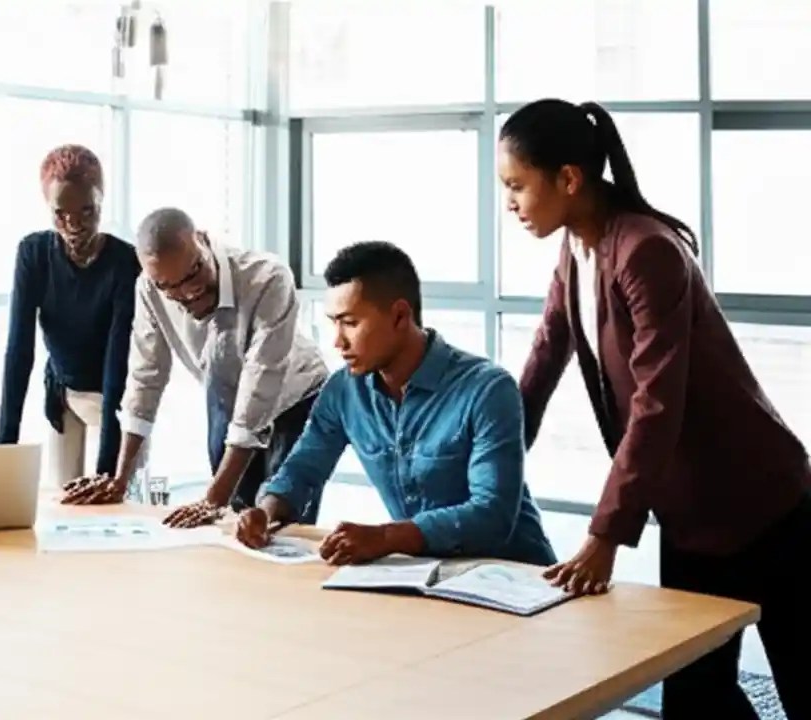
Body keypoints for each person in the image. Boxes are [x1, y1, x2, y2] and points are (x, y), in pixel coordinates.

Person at [500, 98, 810, 719]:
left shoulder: (646, 250)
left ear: (568, 178)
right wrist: (493, 459)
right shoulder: (576, 252)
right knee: (696, 693)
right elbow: (542, 359)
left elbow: (656, 404)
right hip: (690, 509)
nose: (509, 202)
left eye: (516, 186)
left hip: (761, 502)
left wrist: (605, 532)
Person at [234, 242, 557, 567]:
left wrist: (385, 538)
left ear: (400, 315)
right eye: (334, 322)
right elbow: (301, 470)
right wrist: (266, 510)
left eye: (350, 323)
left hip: (515, 575)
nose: (338, 341)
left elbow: (492, 515)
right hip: (427, 575)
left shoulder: (488, 389)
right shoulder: (343, 390)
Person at [63, 207, 328, 528]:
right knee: (231, 522)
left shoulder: (267, 277)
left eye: (194, 272)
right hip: (226, 397)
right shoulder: (148, 289)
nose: (187, 292)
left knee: (279, 522)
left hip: (298, 397)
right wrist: (120, 480)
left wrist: (214, 498)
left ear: (202, 240)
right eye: (169, 287)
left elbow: (261, 383)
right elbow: (145, 379)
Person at [0, 144, 141, 488]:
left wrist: (107, 472)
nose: (74, 224)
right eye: (61, 213)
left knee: (113, 501)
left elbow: (117, 361)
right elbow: (19, 349)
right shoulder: (33, 253)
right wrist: (5, 444)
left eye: (87, 211)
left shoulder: (125, 262)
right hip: (63, 394)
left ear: (101, 200)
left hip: (114, 399)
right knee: (63, 499)